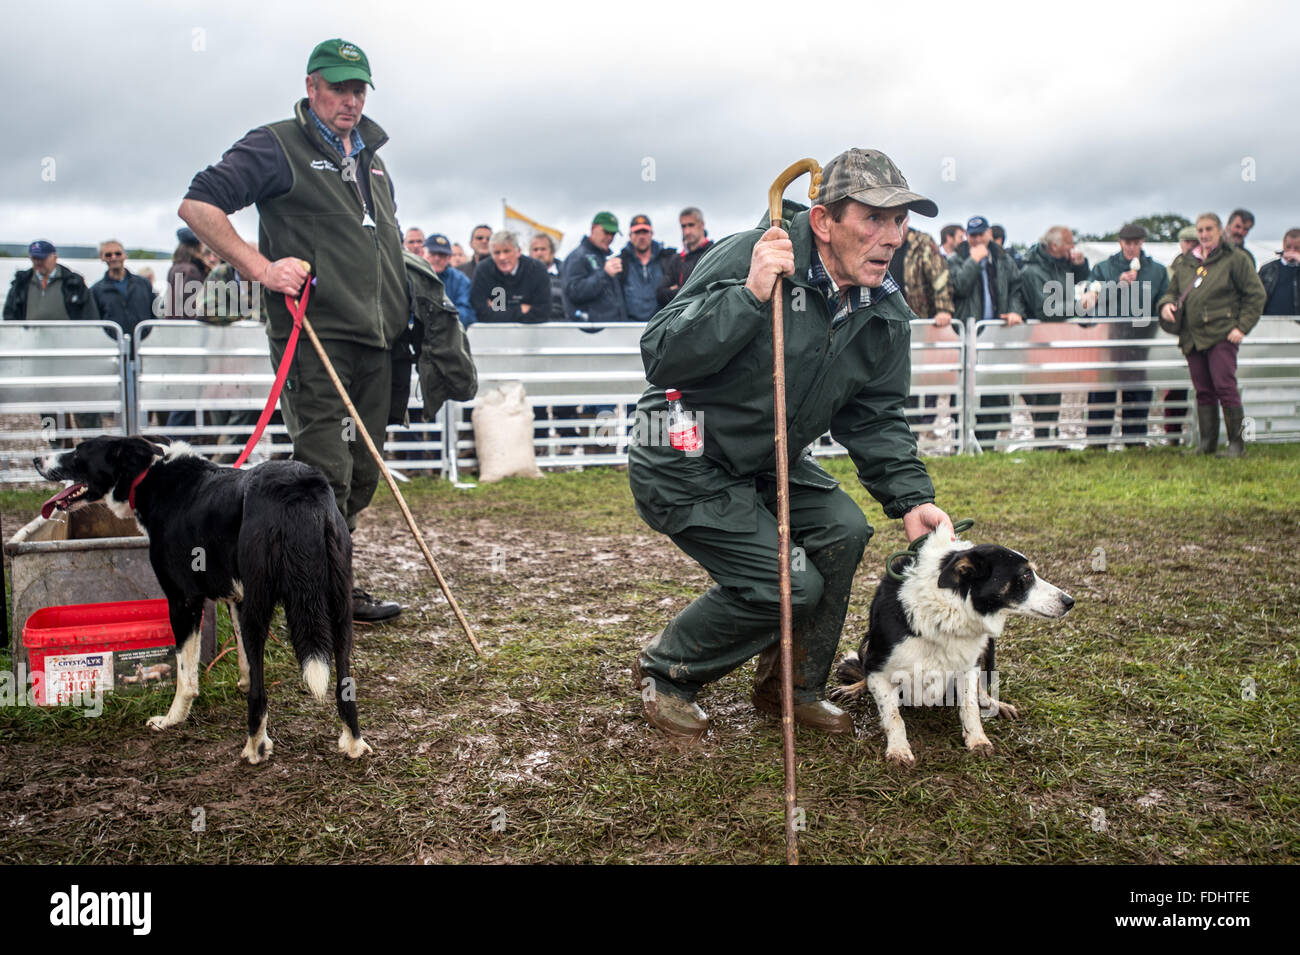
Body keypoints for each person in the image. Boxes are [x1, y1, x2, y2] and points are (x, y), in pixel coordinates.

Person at [628, 147, 953, 737]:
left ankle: (793, 687)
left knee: (843, 530)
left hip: (767, 457)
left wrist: (910, 499)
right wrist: (747, 296)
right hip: (683, 453)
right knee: (788, 583)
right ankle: (667, 672)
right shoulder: (748, 255)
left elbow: (875, 416)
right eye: (873, 218)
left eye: (900, 220)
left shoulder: (882, 310)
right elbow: (662, 355)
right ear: (824, 221)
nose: (891, 237)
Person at [178, 37, 407, 621]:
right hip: (314, 341)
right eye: (337, 88)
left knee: (362, 471)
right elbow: (199, 205)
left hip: (376, 342)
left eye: (358, 89)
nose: (349, 101)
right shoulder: (276, 144)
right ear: (312, 87)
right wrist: (260, 268)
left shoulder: (373, 159)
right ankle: (322, 592)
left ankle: (333, 578)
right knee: (325, 470)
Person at [1157, 212, 1266, 458]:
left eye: (1209, 229)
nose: (1204, 234)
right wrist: (1166, 305)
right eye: (1201, 230)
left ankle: (1237, 446)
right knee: (1203, 389)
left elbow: (1255, 295)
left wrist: (1242, 327)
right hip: (1192, 335)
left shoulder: (1234, 259)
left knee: (1225, 386)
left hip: (1222, 334)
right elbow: (1170, 292)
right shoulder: (1186, 262)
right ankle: (1207, 444)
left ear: (1219, 231)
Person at [1083, 223, 1168, 447]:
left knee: (1138, 393)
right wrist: (1116, 285)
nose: (1131, 247)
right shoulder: (1103, 268)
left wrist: (1167, 307)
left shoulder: (1157, 271)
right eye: (1127, 243)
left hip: (1140, 341)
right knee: (1103, 392)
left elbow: (1163, 298)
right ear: (1120, 243)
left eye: (1136, 243)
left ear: (1142, 243)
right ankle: (1097, 441)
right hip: (1107, 340)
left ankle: (1135, 440)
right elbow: (1090, 300)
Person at [947, 216, 1025, 447]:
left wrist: (1014, 310)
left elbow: (1016, 287)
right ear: (967, 236)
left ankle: (988, 443)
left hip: (996, 335)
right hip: (967, 336)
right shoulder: (956, 258)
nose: (977, 239)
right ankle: (961, 442)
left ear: (989, 233)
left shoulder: (1003, 258)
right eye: (973, 235)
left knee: (994, 388)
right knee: (962, 390)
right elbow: (958, 286)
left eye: (981, 234)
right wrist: (973, 261)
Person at [1019, 225, 1089, 445]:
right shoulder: (1031, 271)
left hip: (1056, 338)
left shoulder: (1059, 264)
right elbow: (1044, 309)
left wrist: (1080, 264)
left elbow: (1079, 278)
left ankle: (1050, 437)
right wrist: (1079, 307)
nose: (1072, 247)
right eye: (1069, 243)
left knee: (1054, 387)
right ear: (1055, 246)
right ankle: (1042, 439)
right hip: (1038, 339)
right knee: (1041, 390)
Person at [890, 226, 954, 428]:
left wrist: (943, 309)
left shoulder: (923, 243)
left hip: (918, 320)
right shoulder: (879, 237)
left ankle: (918, 426)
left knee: (920, 375)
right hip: (887, 320)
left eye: (899, 219)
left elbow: (939, 275)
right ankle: (900, 424)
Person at [4, 240, 99, 323]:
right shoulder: (21, 283)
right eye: (34, 258)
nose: (38, 262)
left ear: (55, 257)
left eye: (42, 258)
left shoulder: (74, 282)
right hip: (31, 339)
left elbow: (89, 313)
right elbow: (9, 313)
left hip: (67, 339)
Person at [469, 230, 552, 324]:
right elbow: (481, 313)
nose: (502, 257)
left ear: (518, 252)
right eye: (497, 253)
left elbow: (542, 313)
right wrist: (521, 309)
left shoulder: (537, 269)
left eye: (506, 251)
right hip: (494, 333)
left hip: (530, 333)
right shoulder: (482, 270)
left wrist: (497, 312)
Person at [561, 212, 627, 323]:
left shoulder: (604, 257)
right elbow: (574, 292)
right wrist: (604, 275)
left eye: (613, 234)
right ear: (593, 228)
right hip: (592, 332)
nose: (610, 237)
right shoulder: (577, 257)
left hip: (611, 329)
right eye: (606, 232)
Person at [90, 238, 157, 345]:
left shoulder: (144, 284)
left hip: (143, 346)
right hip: (114, 348)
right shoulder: (96, 291)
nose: (114, 257)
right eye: (108, 255)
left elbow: (155, 313)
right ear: (102, 258)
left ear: (125, 255)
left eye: (118, 253)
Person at [619, 214, 676, 321]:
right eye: (637, 232)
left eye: (645, 232)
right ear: (630, 235)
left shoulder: (667, 260)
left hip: (660, 327)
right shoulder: (620, 263)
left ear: (651, 234)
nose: (641, 237)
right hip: (628, 327)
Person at [657, 206, 713, 305]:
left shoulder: (713, 253)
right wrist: (689, 291)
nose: (687, 231)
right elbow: (660, 294)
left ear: (701, 225)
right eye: (683, 226)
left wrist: (677, 290)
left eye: (691, 225)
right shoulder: (676, 260)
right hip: (680, 318)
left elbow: (710, 291)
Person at [422, 233, 475, 326]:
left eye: (442, 254)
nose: (437, 258)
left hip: (450, 333)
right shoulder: (414, 277)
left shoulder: (460, 280)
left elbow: (466, 313)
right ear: (424, 254)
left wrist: (441, 316)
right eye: (433, 253)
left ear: (449, 257)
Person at [1259, 228, 1300, 317]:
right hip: (1270, 321)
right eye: (1288, 247)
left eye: (1297, 248)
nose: (1292, 251)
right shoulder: (1268, 269)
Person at [529, 233, 565, 319]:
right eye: (535, 249)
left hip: (560, 326)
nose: (539, 253)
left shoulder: (566, 272)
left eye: (543, 249)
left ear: (552, 252)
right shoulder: (522, 274)